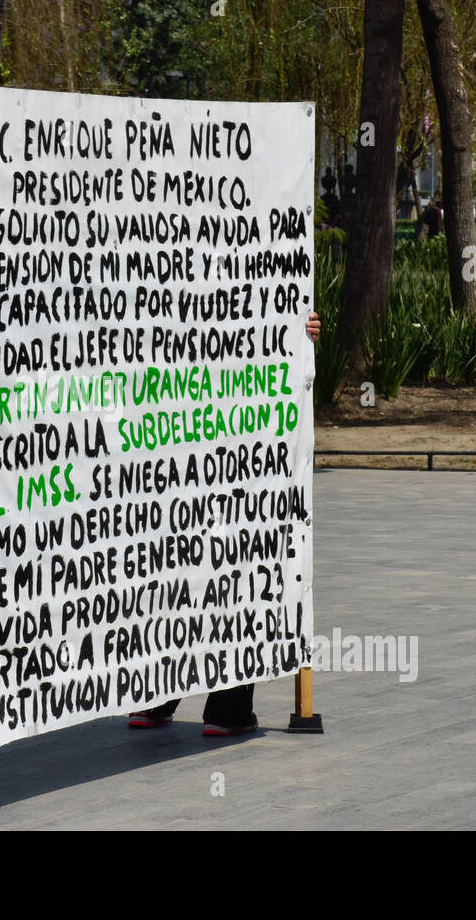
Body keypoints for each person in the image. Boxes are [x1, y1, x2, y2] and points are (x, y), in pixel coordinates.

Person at [128, 309, 321, 736]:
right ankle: (224, 709)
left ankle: (158, 697)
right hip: (230, 451)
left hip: (180, 448)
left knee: (179, 567)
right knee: (233, 569)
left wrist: (298, 337)